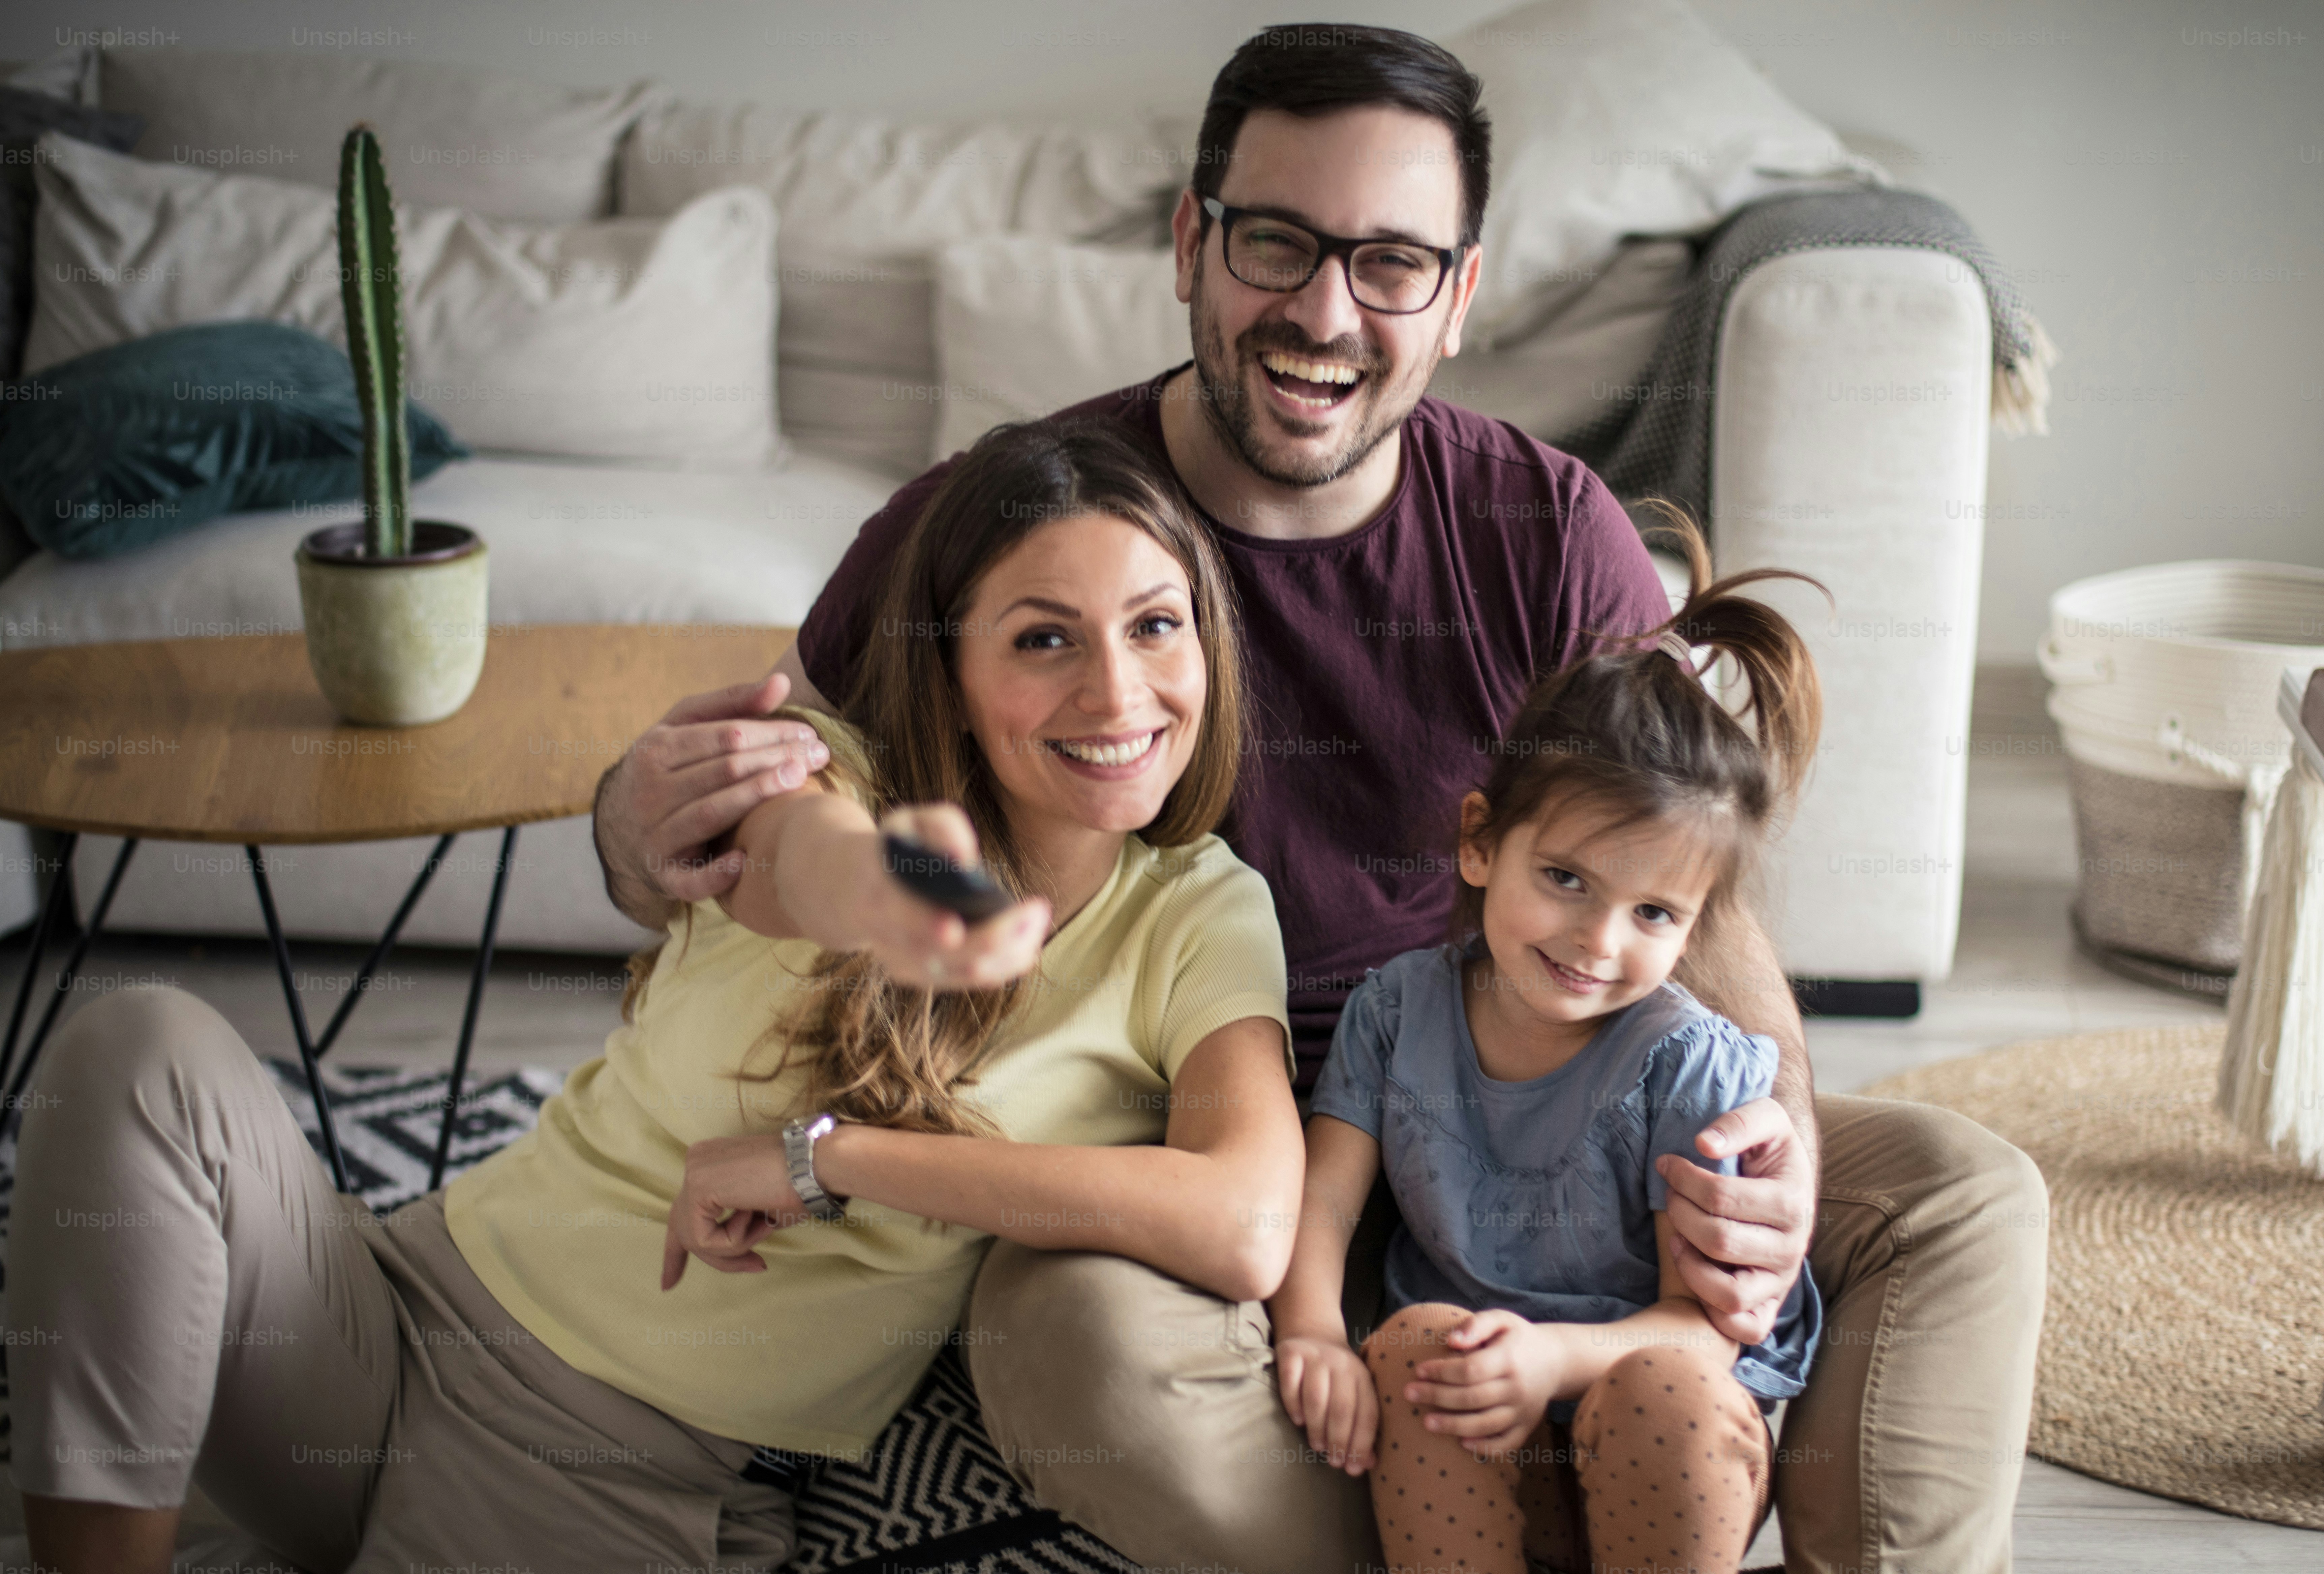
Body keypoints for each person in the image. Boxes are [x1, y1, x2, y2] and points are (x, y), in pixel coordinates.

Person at [589, 25, 2047, 1574]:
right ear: (1188, 245)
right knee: (1067, 1337)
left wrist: (1777, 1154)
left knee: (1966, 1198)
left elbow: (1692, 886)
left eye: (1393, 263)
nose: (1323, 313)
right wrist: (633, 825)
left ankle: (1661, 1482)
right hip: (1197, 1161)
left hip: (1543, 1103)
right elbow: (770, 837)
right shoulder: (1011, 519)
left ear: (1459, 295)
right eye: (1275, 243)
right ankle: (1505, 1515)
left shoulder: (1547, 535)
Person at [9, 419, 1351, 1573]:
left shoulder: (1195, 911)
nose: (1115, 689)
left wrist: (829, 1160)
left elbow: (1241, 1223)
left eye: (1154, 625)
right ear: (949, 668)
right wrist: (898, 902)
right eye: (1043, 637)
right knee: (140, 1046)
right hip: (383, 1307)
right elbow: (804, 860)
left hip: (604, 1469)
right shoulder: (820, 769)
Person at [1271, 520, 1825, 1574]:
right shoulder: (1397, 1011)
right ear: (1481, 843)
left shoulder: (1687, 1066)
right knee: (1419, 1343)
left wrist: (1554, 1359)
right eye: (1566, 879)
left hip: (1655, 1416)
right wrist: (1309, 1331)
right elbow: (1329, 1200)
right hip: (1473, 1427)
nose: (1598, 941)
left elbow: (1705, 1330)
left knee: (1666, 1387)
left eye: (1654, 913)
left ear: (1695, 929)